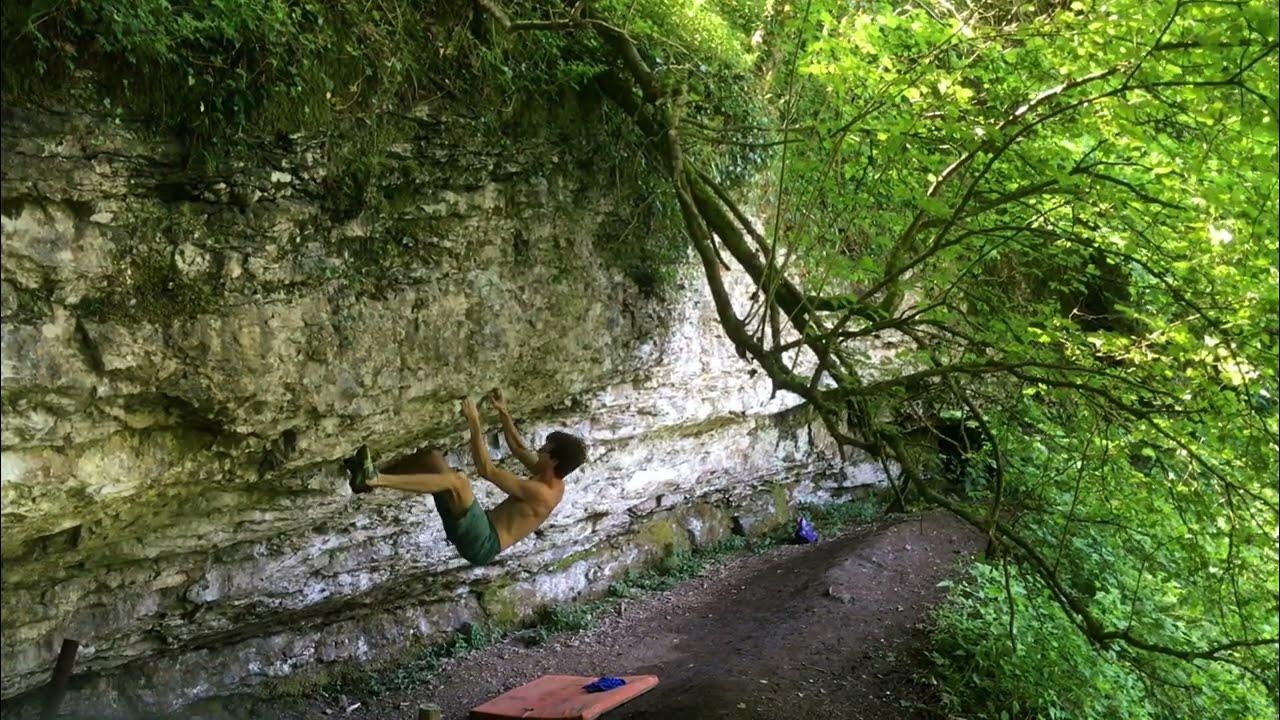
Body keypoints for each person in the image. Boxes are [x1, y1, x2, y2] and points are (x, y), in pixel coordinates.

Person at [345, 389, 588, 566]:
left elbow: (486, 470)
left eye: (545, 450)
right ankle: (363, 482)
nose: (539, 450)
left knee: (458, 481)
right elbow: (518, 447)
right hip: (478, 527)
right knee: (431, 460)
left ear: (554, 460)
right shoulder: (549, 474)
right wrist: (503, 412)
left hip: (483, 543)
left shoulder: (542, 493)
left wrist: (474, 421)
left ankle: (375, 478)